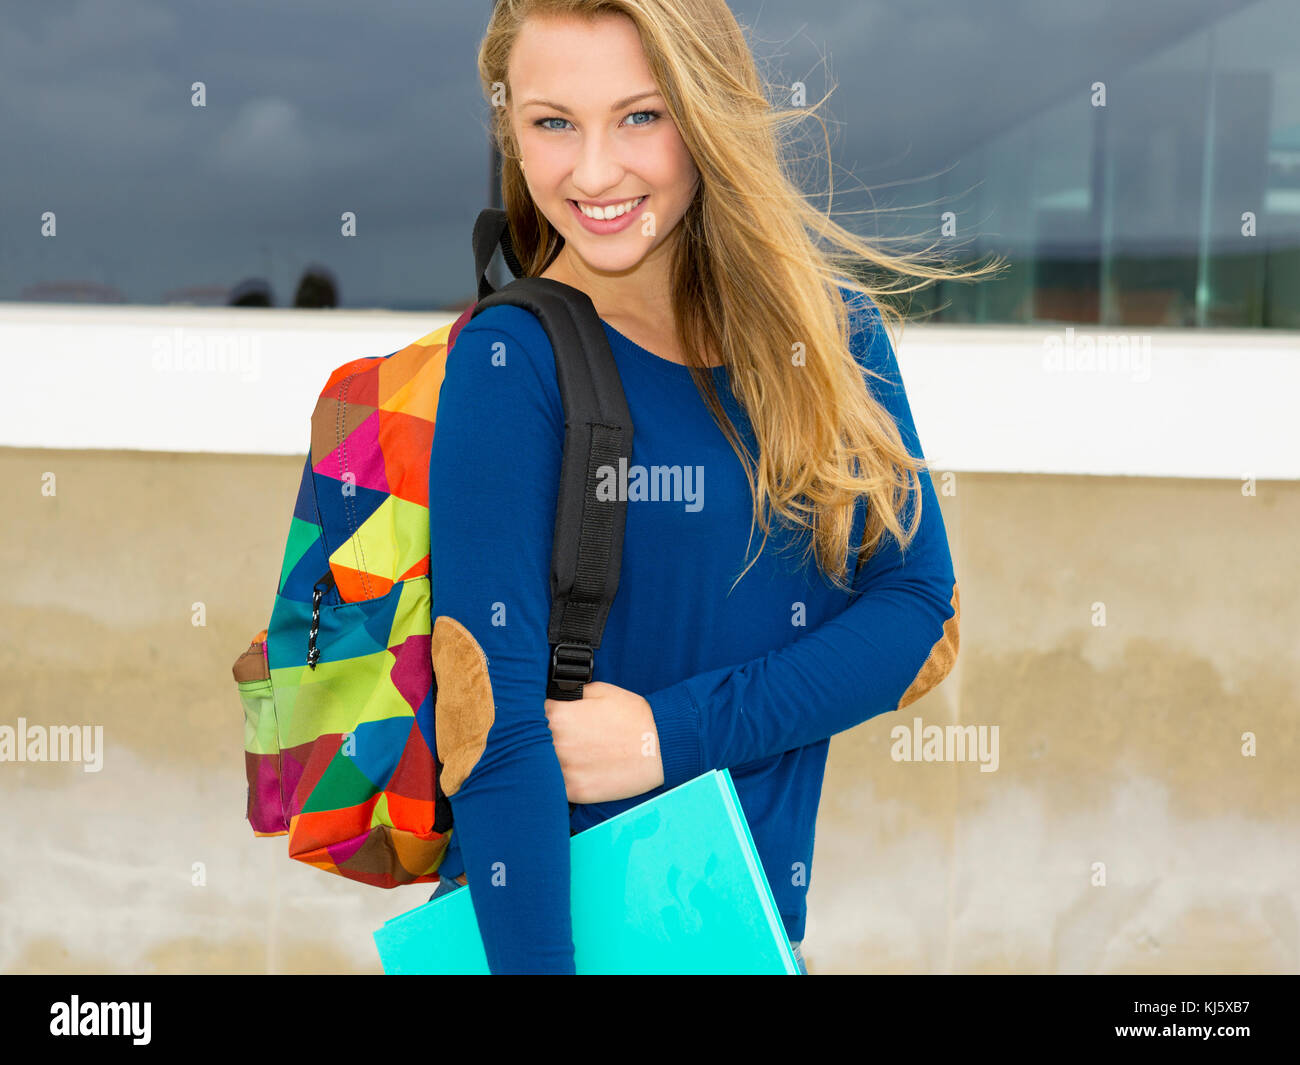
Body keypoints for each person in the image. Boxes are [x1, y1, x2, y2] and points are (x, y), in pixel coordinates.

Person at [427, 0, 998, 975]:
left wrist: (669, 733)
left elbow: (915, 611)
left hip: (743, 941)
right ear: (509, 132)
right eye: (551, 122)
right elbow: (497, 732)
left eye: (639, 116)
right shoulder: (508, 362)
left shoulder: (830, 335)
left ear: (709, 113)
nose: (594, 171)